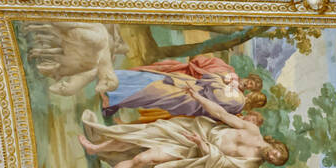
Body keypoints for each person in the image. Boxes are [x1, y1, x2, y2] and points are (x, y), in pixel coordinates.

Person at [78, 85, 288, 168]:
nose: (272, 156)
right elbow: (223, 115)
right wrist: (198, 97)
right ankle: (95, 148)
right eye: (276, 153)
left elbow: (216, 165)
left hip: (192, 153)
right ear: (275, 145)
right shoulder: (252, 130)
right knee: (140, 136)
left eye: (275, 160)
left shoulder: (250, 165)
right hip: (192, 130)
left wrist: (200, 144)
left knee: (142, 159)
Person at [100, 53, 263, 121]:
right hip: (188, 84)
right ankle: (114, 81)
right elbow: (206, 67)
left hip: (189, 98)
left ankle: (113, 100)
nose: (249, 86)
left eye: (252, 88)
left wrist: (216, 80)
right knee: (152, 79)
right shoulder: (233, 82)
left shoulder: (237, 101)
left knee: (151, 93)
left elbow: (216, 93)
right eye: (251, 82)